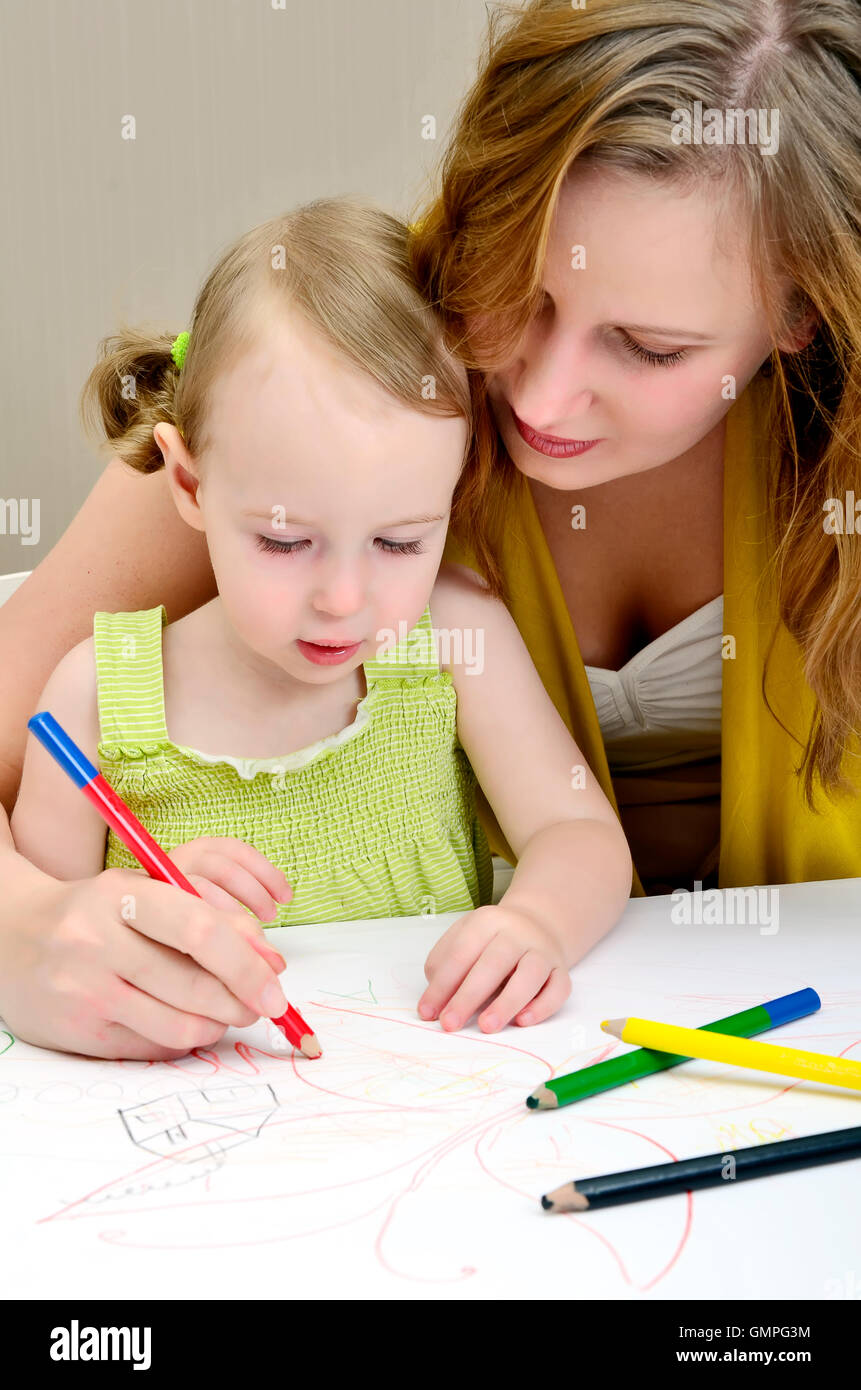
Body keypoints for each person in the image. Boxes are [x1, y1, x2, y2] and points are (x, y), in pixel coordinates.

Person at [0, 0, 857, 1049]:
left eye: (648, 346)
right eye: (519, 294)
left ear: (799, 313)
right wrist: (29, 927)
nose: (538, 398)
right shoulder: (312, 398)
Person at [6, 197, 633, 1060]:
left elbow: (579, 837)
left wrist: (537, 922)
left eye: (398, 541)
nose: (345, 598)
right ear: (188, 486)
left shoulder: (453, 639)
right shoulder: (93, 697)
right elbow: (45, 932)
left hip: (429, 1089)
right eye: (285, 541)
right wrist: (136, 909)